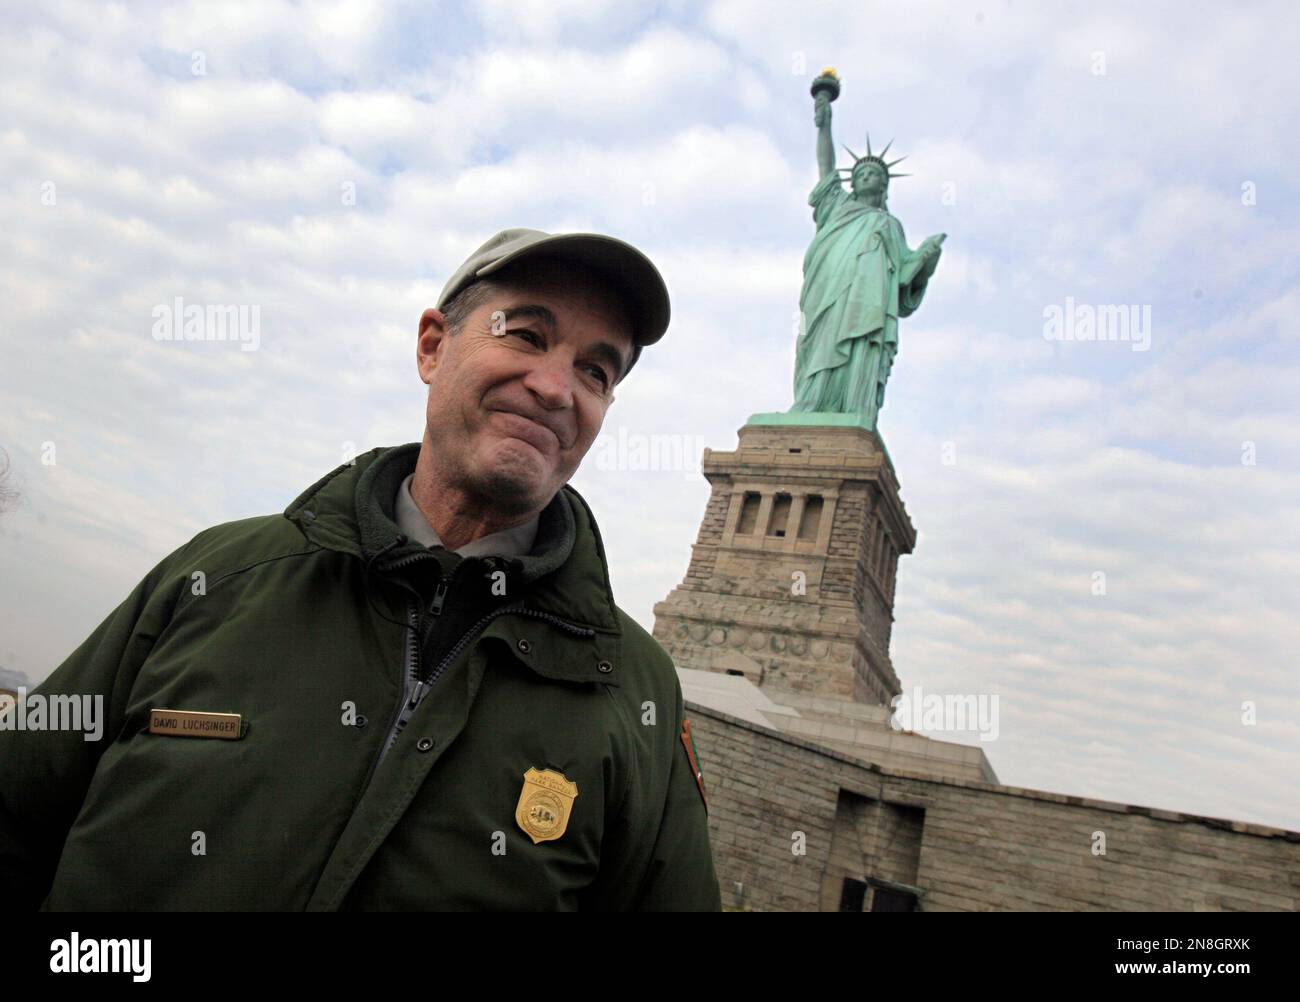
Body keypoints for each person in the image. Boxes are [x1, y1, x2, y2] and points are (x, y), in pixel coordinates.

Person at [0, 228, 723, 911]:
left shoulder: (634, 689)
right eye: (527, 336)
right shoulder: (216, 579)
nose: (556, 387)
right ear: (433, 346)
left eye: (595, 370)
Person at [791, 83, 946, 429]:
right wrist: (824, 124)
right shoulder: (838, 206)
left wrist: (926, 258)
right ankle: (811, 403)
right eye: (860, 174)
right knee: (820, 345)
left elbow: (905, 277)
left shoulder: (890, 225)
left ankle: (854, 410)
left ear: (884, 185)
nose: (865, 177)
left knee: (861, 347)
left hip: (869, 304)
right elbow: (826, 165)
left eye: (873, 174)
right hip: (828, 292)